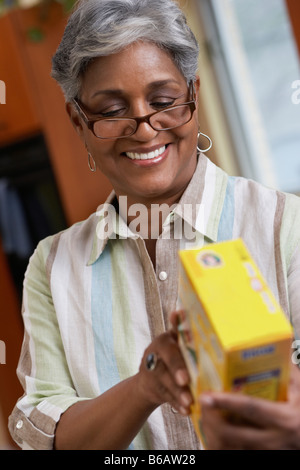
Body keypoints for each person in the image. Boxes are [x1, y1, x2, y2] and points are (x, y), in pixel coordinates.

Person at [8, 0, 300, 450]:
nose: (144, 129)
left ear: (193, 96)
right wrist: (145, 387)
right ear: (78, 121)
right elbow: (43, 434)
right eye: (110, 110)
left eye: (163, 101)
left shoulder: (285, 226)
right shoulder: (53, 266)